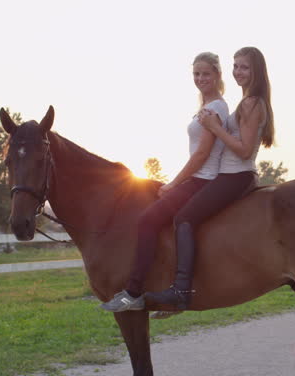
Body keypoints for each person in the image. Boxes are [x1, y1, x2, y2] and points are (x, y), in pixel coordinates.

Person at [144, 46, 276, 310]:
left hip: (236, 175)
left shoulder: (251, 103)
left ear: (256, 71)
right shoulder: (248, 101)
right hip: (232, 174)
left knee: (183, 218)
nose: (238, 72)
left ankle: (181, 291)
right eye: (236, 66)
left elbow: (244, 150)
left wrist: (216, 127)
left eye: (245, 67)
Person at [100, 52, 230, 312]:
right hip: (197, 178)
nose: (201, 78)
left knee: (147, 220)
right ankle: (165, 285)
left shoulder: (215, 108)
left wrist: (174, 183)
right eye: (196, 74)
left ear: (217, 75)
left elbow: (203, 154)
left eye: (206, 73)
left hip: (203, 179)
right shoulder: (206, 107)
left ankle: (134, 292)